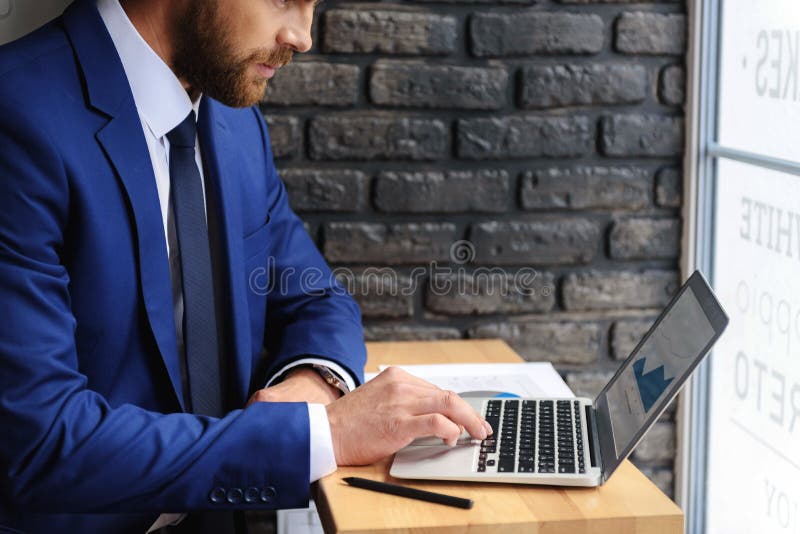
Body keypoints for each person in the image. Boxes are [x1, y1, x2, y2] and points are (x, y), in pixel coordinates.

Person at [0, 0, 492, 532]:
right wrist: (325, 435)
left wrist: (315, 382)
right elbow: (42, 440)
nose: (303, 36)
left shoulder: (231, 116)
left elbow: (315, 296)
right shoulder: (17, 116)